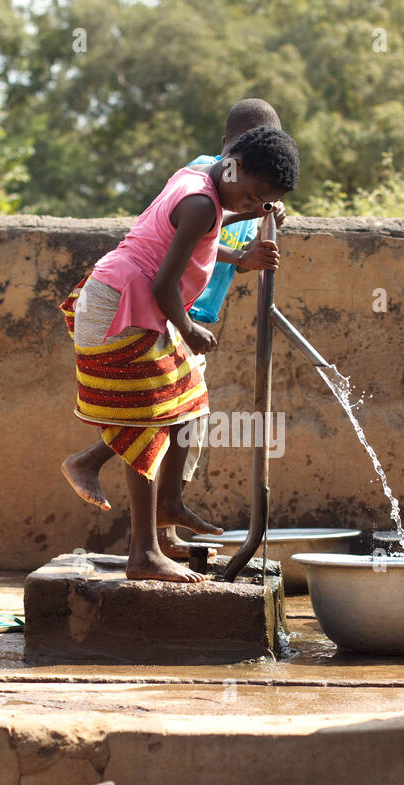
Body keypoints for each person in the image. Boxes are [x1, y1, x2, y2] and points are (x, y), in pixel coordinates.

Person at [59, 125, 300, 582]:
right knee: (152, 418)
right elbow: (164, 283)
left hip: (125, 302)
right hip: (121, 307)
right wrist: (189, 329)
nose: (250, 208)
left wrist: (242, 251)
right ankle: (143, 554)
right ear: (235, 164)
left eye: (258, 204)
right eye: (250, 197)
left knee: (191, 401)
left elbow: (198, 235)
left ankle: (163, 499)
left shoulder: (201, 186)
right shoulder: (201, 202)